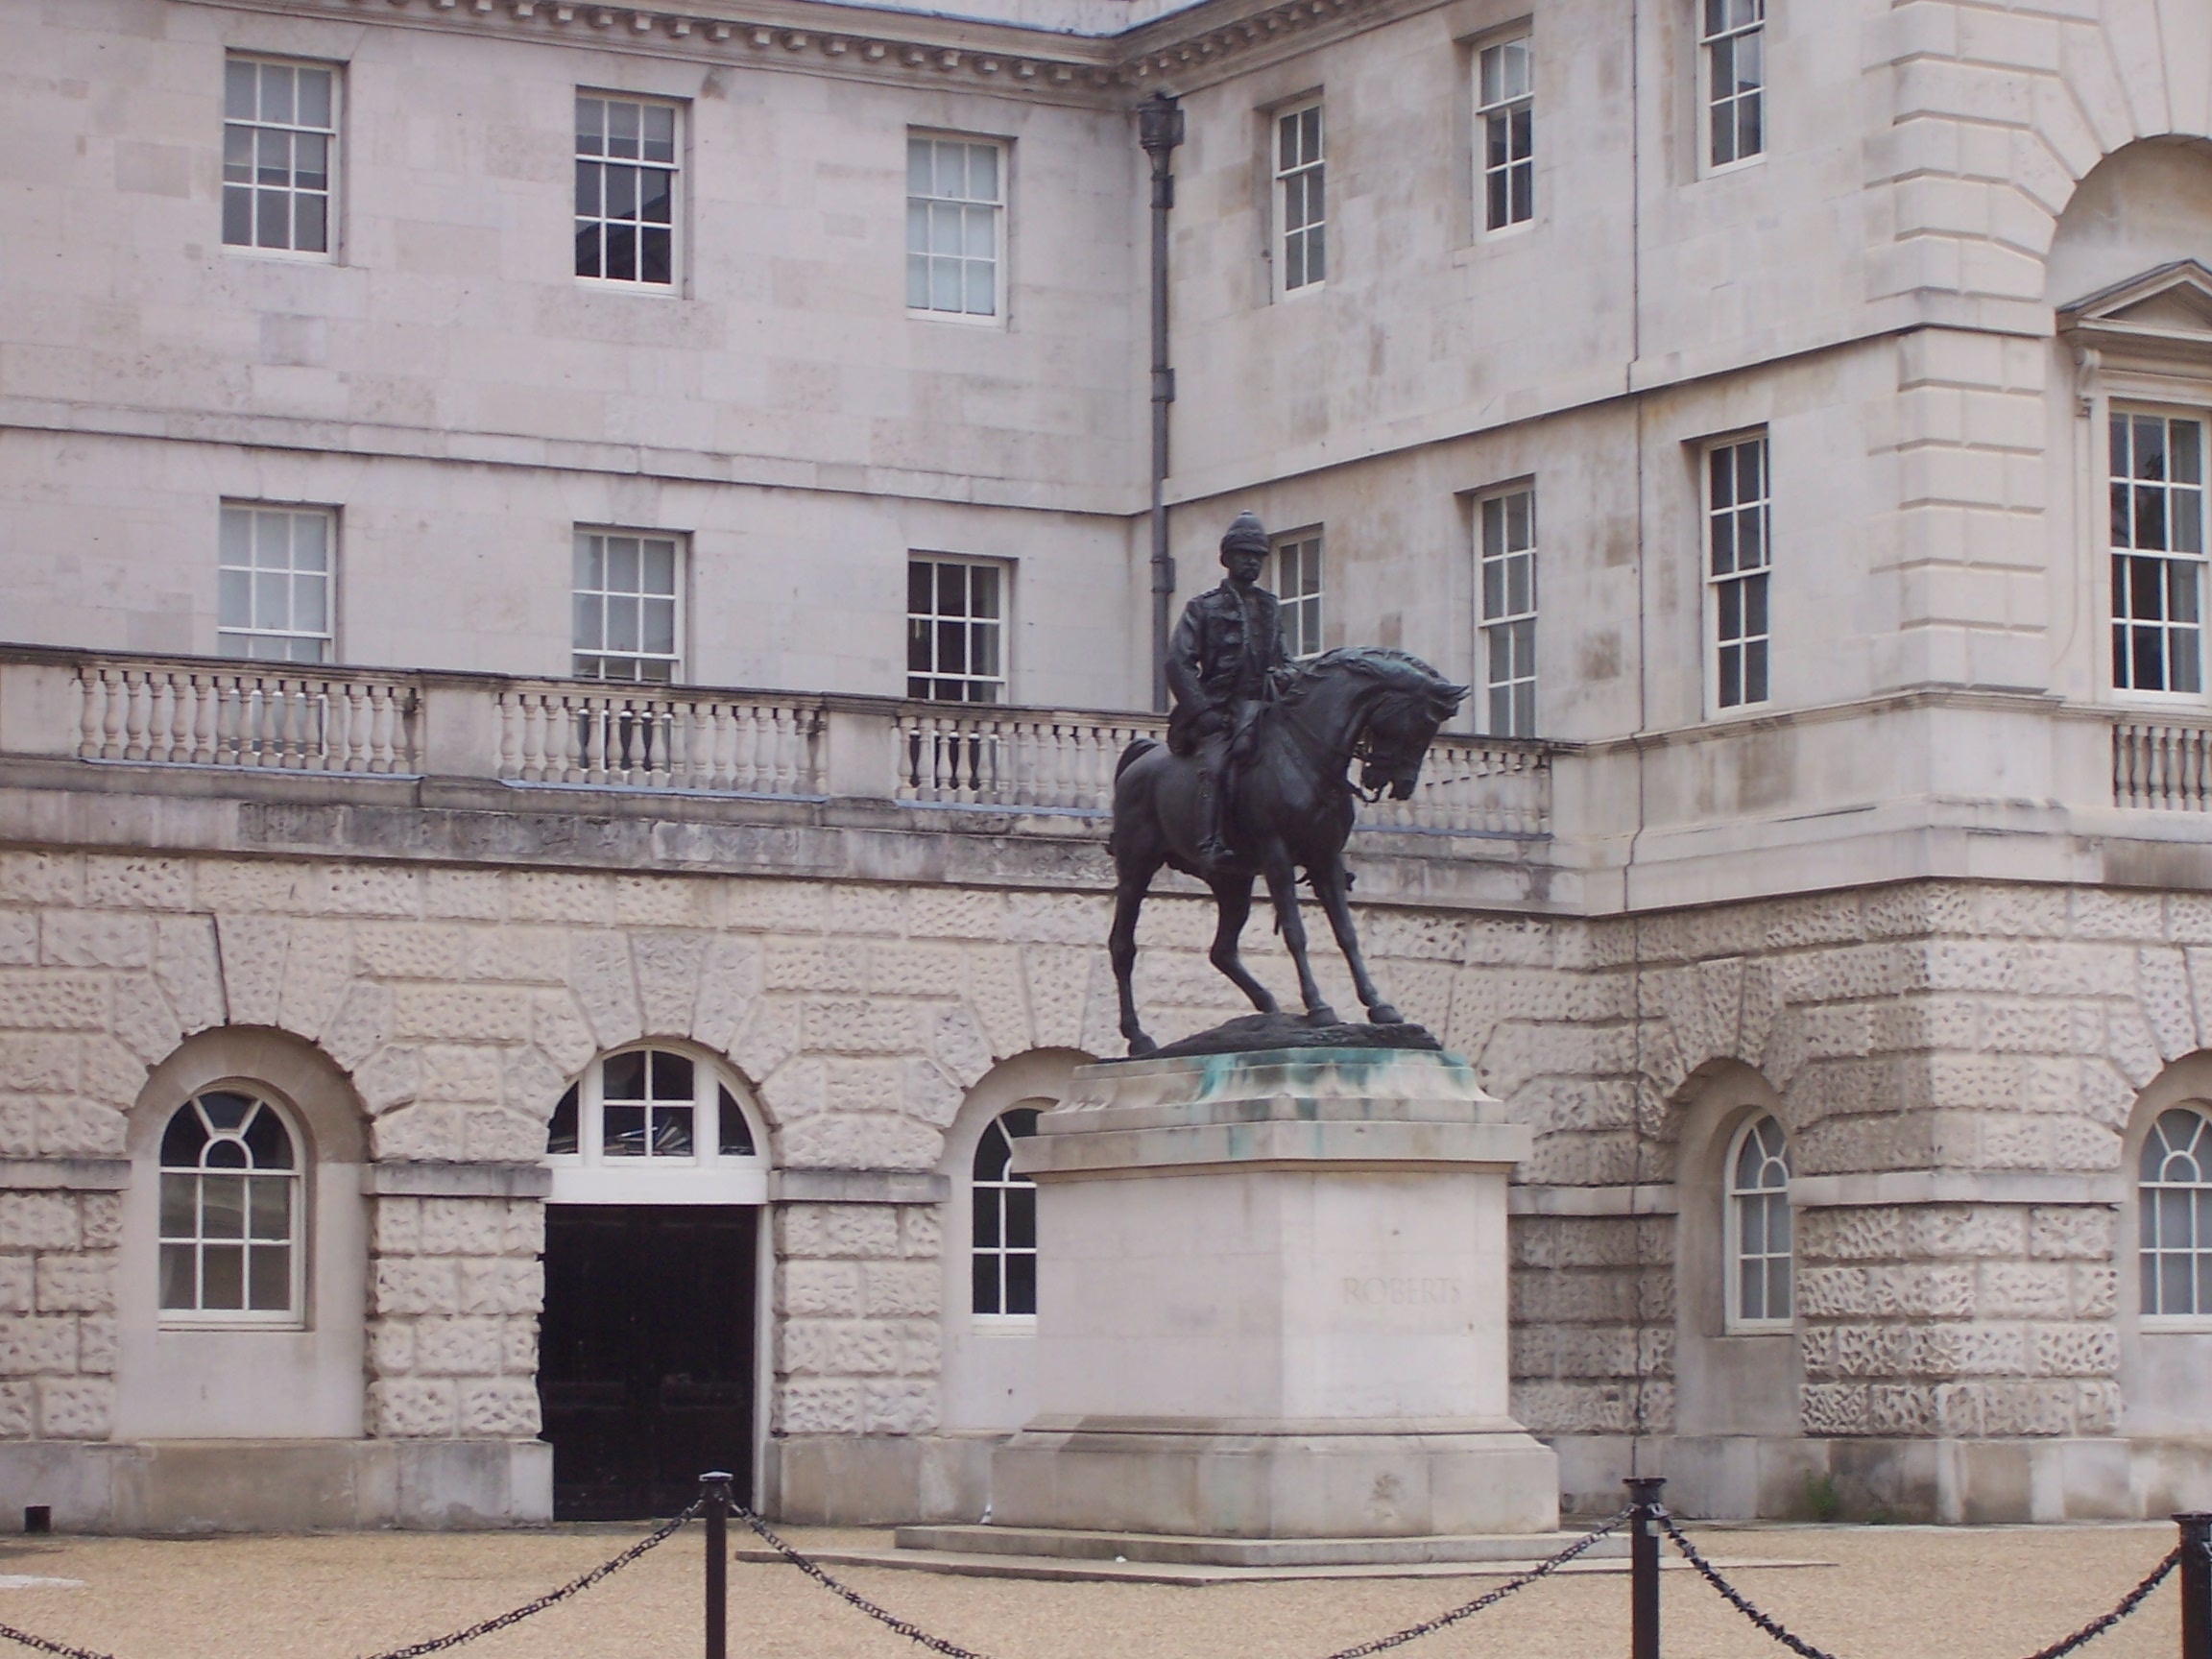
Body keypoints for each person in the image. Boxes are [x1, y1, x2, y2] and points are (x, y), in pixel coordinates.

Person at [1166, 511, 1298, 872]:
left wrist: (1286, 675)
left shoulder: (1271, 607)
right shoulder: (1203, 608)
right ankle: (1209, 841)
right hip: (1220, 713)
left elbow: (1286, 659)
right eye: (1245, 554)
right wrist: (1203, 712)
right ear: (1227, 558)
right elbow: (1178, 663)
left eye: (1258, 556)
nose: (1252, 562)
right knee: (1216, 766)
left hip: (1264, 711)